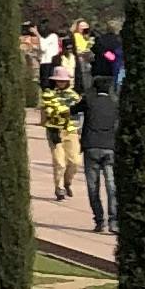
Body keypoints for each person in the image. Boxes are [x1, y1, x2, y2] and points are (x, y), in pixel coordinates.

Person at [80, 70, 121, 232]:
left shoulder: (89, 101)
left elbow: (72, 110)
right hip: (110, 147)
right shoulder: (114, 104)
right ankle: (113, 220)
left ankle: (99, 220)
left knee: (93, 186)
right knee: (111, 185)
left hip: (91, 146)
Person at [41, 69, 82, 207]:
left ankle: (67, 182)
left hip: (71, 130)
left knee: (75, 161)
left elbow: (78, 111)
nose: (61, 82)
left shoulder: (73, 94)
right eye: (59, 80)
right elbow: (50, 110)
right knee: (59, 162)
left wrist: (66, 111)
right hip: (55, 130)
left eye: (64, 80)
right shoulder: (48, 94)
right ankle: (59, 188)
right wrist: (67, 110)